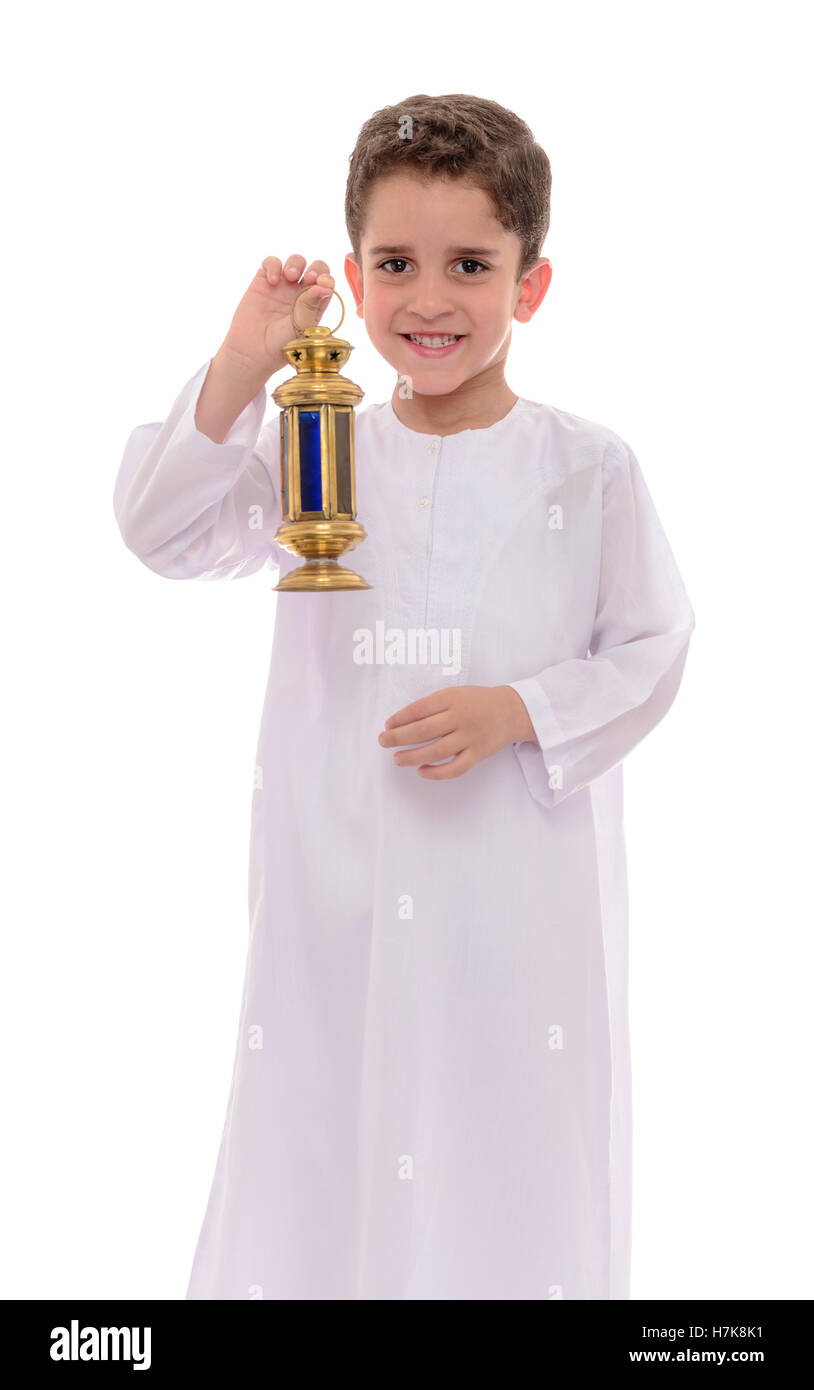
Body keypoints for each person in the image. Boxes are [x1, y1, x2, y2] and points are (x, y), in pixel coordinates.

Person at [113, 93, 696, 1300]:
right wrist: (240, 361)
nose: (428, 299)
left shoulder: (585, 468)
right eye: (395, 264)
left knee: (508, 1145)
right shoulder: (315, 440)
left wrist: (519, 711)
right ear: (352, 275)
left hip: (511, 888)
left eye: (469, 265)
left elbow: (652, 644)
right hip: (341, 871)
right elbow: (162, 530)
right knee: (330, 1127)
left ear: (529, 285)